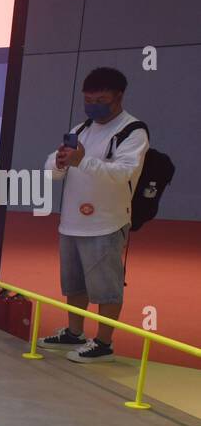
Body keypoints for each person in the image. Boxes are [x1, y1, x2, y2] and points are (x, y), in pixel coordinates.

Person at [38, 67, 149, 362]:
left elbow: (123, 172)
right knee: (74, 284)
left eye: (100, 99)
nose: (93, 105)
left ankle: (104, 343)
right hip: (71, 222)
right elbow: (53, 169)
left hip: (106, 222)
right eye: (88, 99)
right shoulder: (81, 128)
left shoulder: (133, 131)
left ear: (118, 97)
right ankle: (74, 333)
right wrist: (60, 162)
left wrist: (82, 161)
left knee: (106, 288)